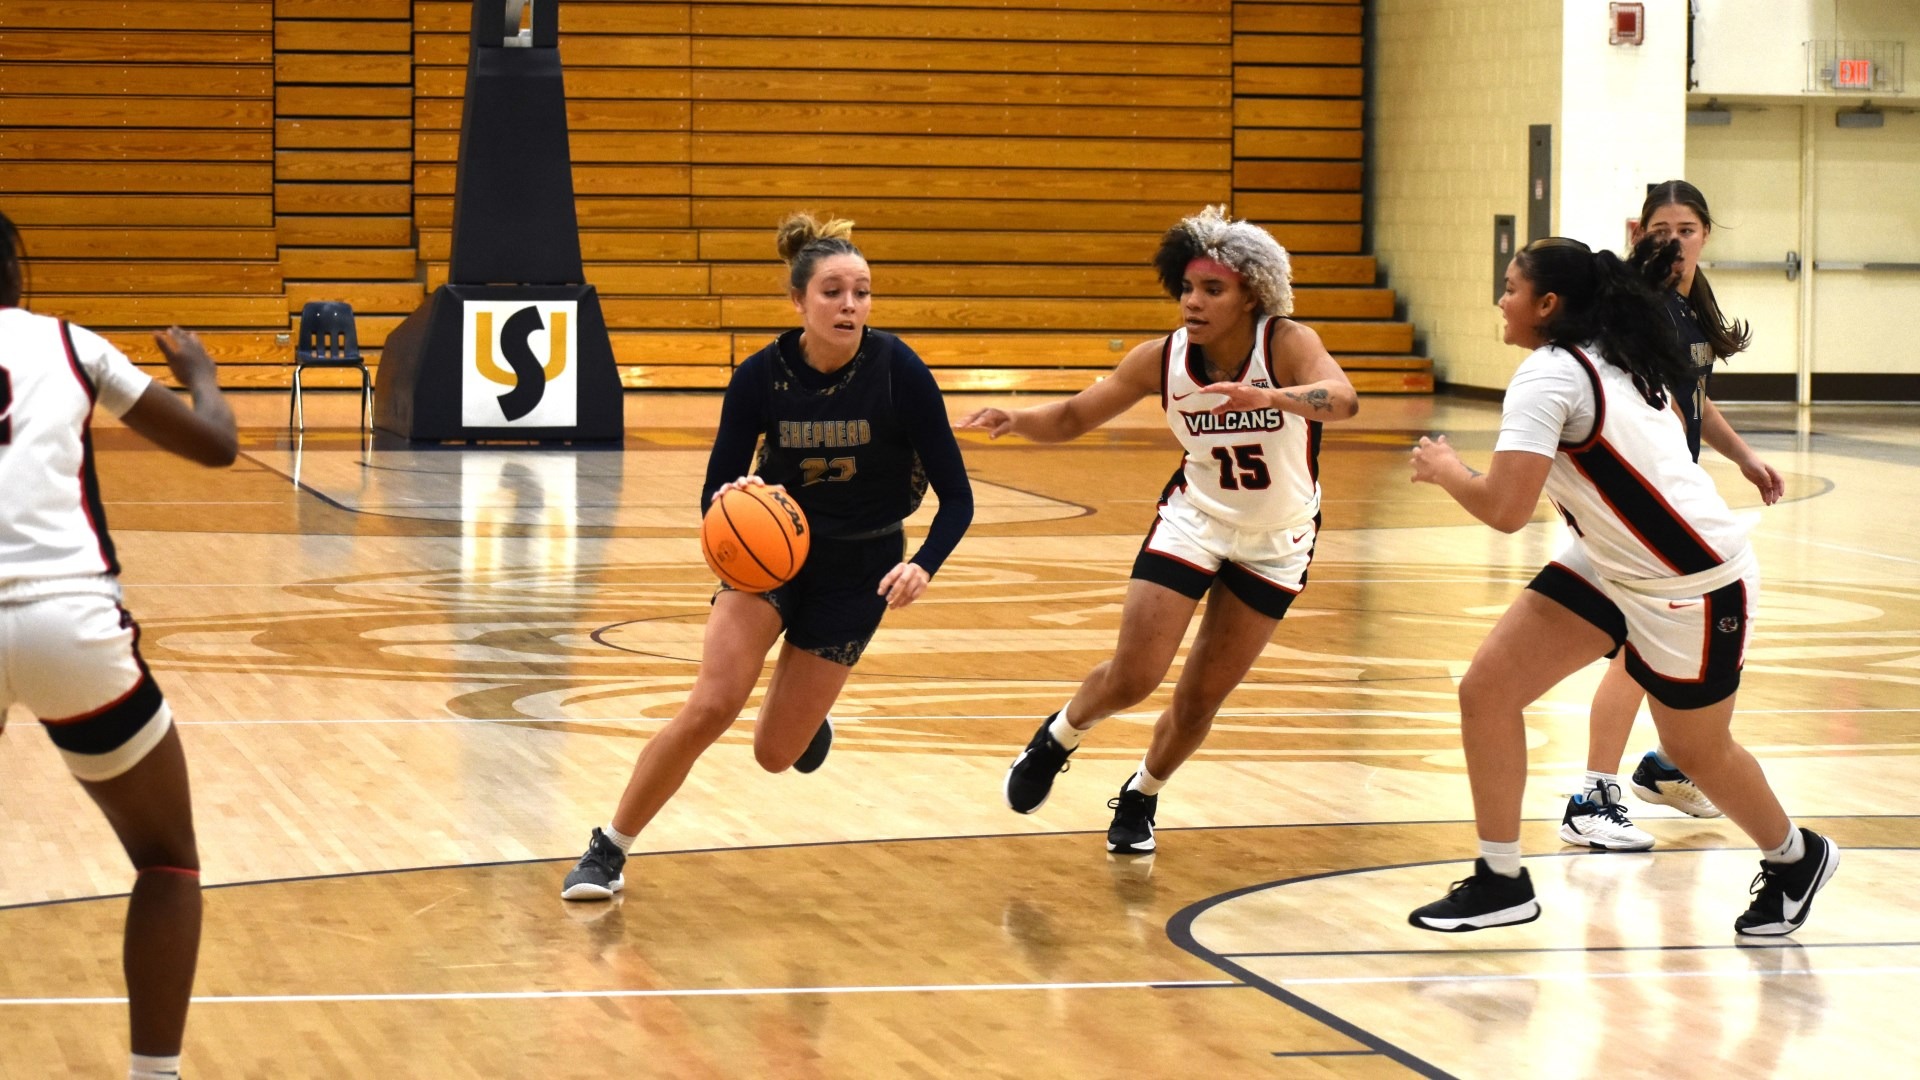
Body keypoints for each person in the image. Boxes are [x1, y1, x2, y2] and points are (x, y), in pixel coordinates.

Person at [1405, 235, 1835, 936]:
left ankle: (1796, 856)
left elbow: (1506, 512)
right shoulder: (1609, 352)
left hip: (1695, 582)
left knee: (1696, 752)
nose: (1500, 300)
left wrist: (1448, 468)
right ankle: (1500, 878)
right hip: (1610, 564)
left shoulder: (1550, 376)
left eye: (1510, 288)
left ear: (1547, 305)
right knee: (1487, 690)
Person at [562, 213, 974, 900]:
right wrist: (735, 501)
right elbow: (712, 492)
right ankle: (609, 848)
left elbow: (957, 498)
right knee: (712, 704)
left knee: (773, 754)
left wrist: (922, 563)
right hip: (770, 558)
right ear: (799, 301)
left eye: (862, 292)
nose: (850, 306)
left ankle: (804, 722)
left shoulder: (899, 371)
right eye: (834, 292)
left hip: (862, 567)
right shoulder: (760, 376)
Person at [960, 205, 1358, 855]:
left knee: (1200, 699)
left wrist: (1276, 397)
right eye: (1186, 288)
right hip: (1195, 522)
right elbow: (1073, 417)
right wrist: (1017, 417)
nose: (1192, 302)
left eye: (1212, 290)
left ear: (1250, 293)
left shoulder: (1285, 344)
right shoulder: (1163, 358)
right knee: (1135, 674)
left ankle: (1142, 793)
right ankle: (1058, 736)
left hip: (1278, 540)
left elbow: (1342, 400)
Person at [0, 208, 239, 1080]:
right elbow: (215, 448)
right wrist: (200, 372)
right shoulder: (69, 345)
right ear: (15, 272)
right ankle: (153, 1074)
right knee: (167, 862)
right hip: (71, 622)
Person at [1558, 180, 1786, 852]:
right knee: (1637, 653)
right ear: (1639, 233)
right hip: (1630, 514)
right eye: (1662, 228)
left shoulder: (1693, 307)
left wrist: (1743, 456)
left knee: (1676, 651)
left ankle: (1670, 762)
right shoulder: (1634, 312)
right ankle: (1595, 794)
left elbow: (1697, 402)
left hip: (1674, 508)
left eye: (1687, 228)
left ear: (1705, 235)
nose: (1675, 240)